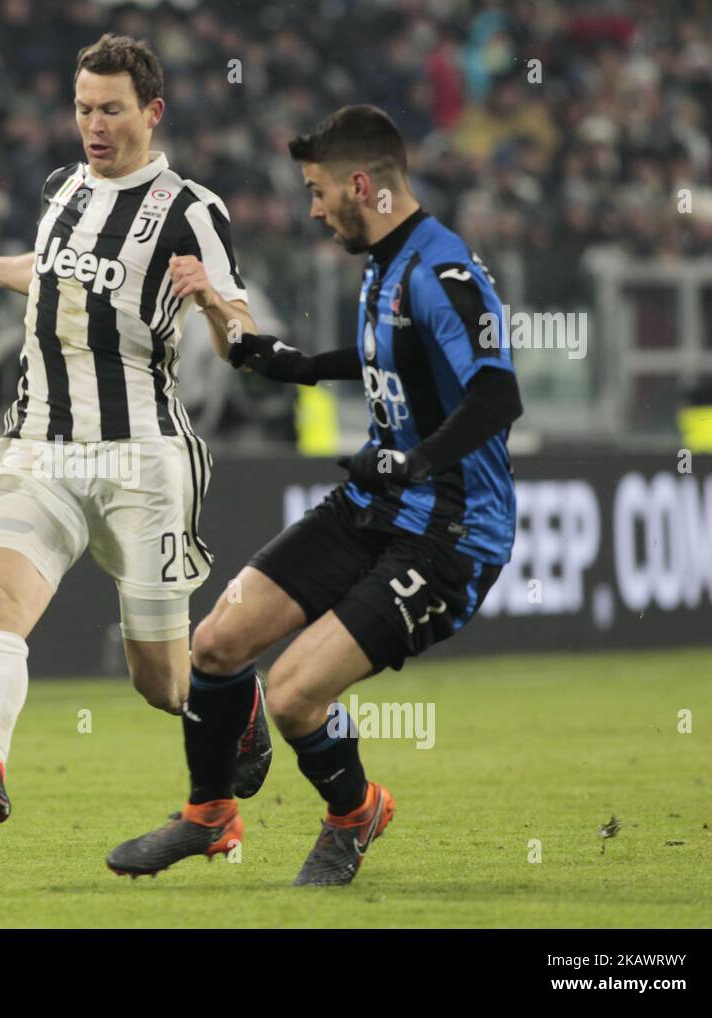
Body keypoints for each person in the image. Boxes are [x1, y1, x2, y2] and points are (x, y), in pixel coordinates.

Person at [108, 105, 523, 885]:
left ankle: (354, 812)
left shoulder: (444, 273)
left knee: (294, 697)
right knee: (216, 646)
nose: (312, 208)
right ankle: (208, 816)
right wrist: (286, 362)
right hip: (374, 506)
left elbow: (497, 397)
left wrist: (416, 462)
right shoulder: (386, 265)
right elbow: (385, 361)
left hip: (451, 534)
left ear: (360, 184)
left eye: (317, 190)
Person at [0, 34, 271, 824]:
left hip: (141, 462)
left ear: (151, 112)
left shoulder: (192, 210)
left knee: (161, 683)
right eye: (84, 108)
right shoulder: (65, 190)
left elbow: (245, 339)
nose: (95, 124)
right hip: (39, 448)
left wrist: (212, 302)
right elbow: (54, 272)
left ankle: (238, 701)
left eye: (112, 109)